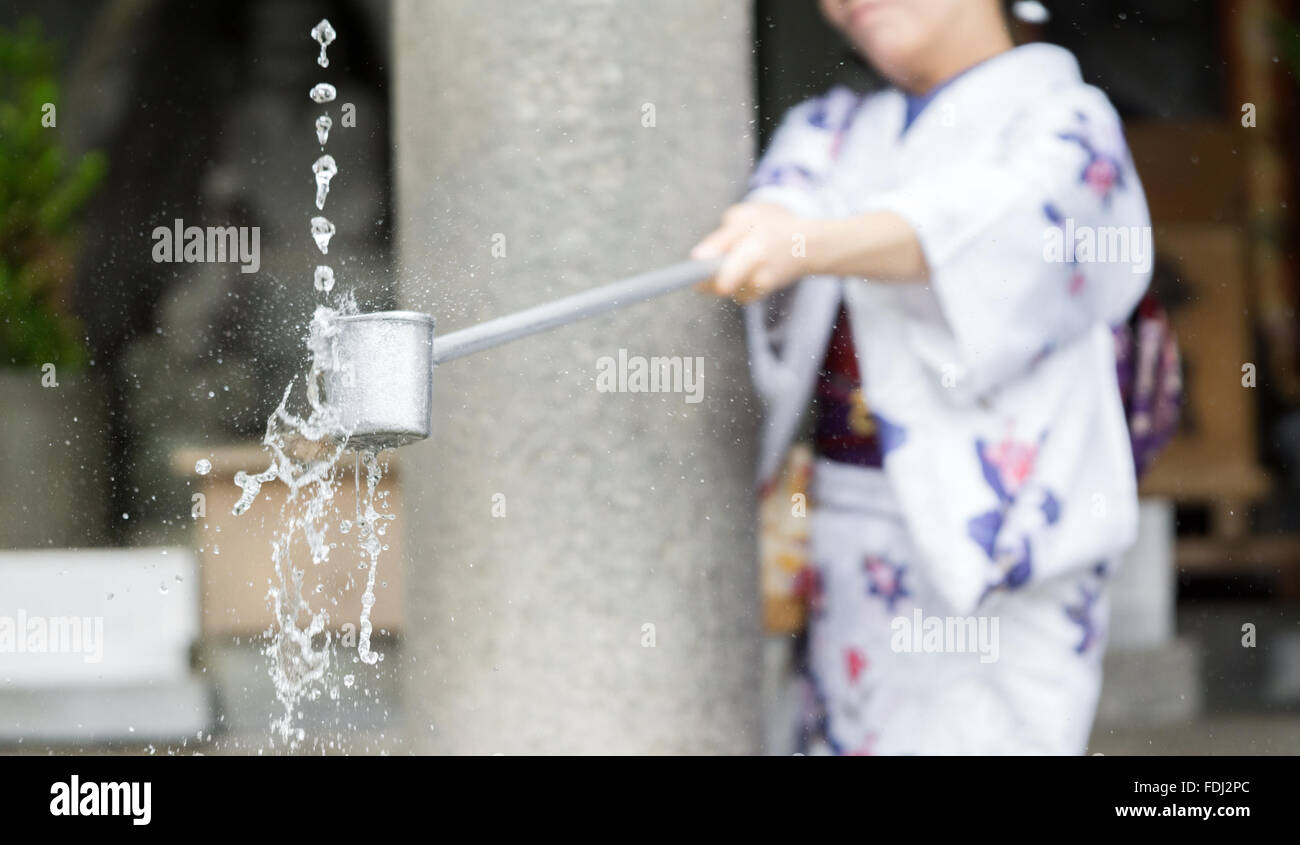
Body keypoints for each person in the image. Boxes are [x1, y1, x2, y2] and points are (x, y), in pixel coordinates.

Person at [693, 0, 1160, 754]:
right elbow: (780, 202)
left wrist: (811, 243)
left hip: (995, 555)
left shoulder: (1069, 124)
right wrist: (762, 234)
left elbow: (1006, 226)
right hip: (842, 535)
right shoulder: (835, 128)